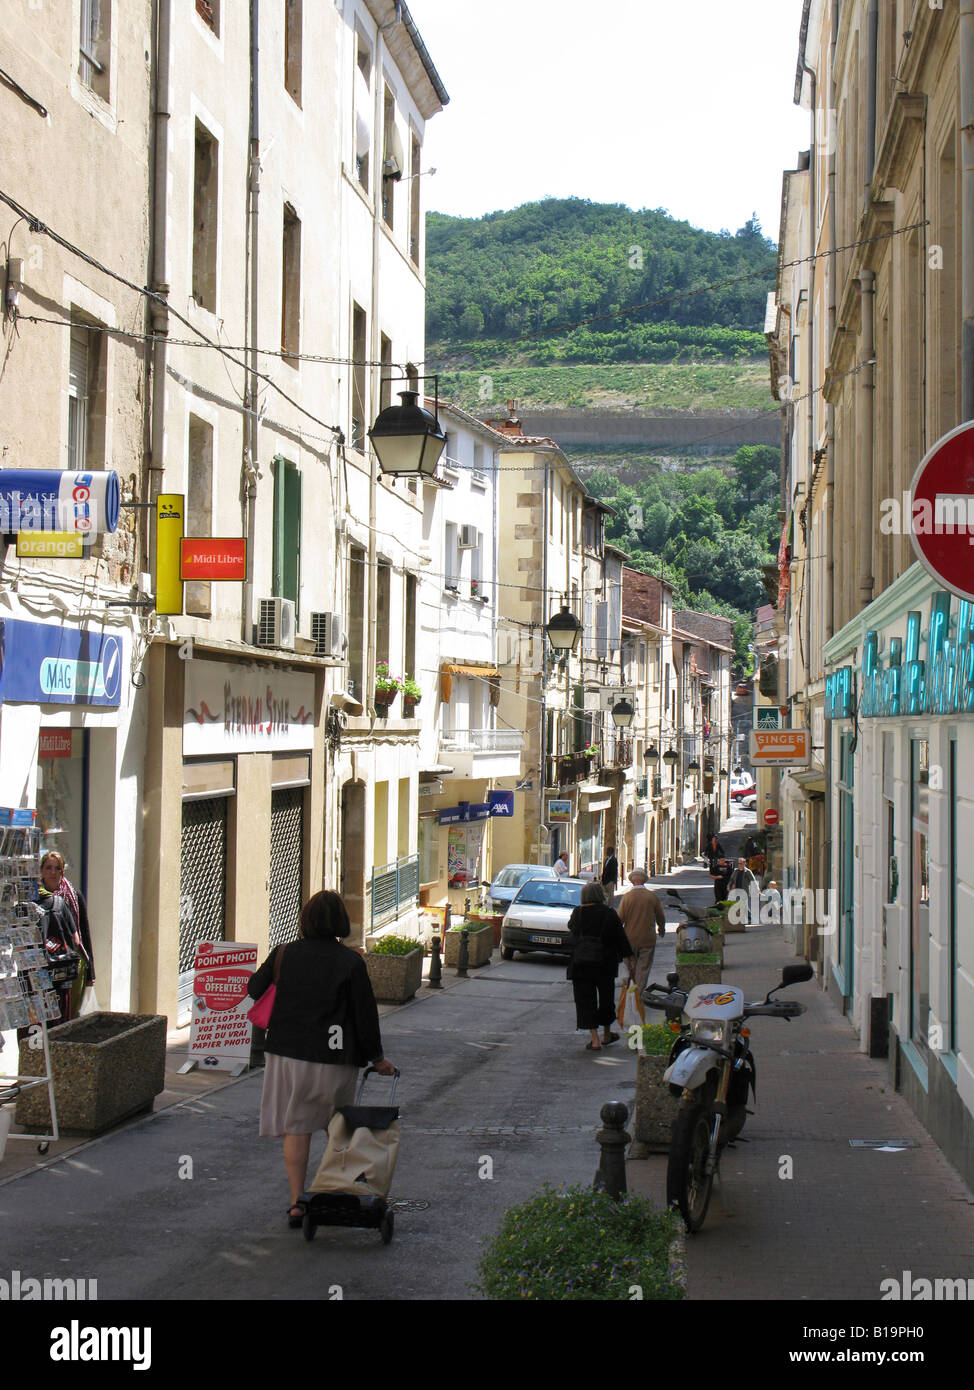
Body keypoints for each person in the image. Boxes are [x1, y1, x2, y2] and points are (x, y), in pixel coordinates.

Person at [246, 890, 396, 1229]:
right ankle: (337, 1190)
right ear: (341, 922)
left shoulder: (284, 953)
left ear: (306, 920)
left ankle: (298, 1202)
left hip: (287, 1055)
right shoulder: (351, 962)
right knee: (337, 1127)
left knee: (296, 1129)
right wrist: (377, 1058)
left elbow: (254, 989)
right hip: (335, 1057)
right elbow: (364, 1016)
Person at [565, 882, 633, 1051]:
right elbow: (620, 937)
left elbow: (571, 931)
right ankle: (607, 1034)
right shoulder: (609, 913)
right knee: (606, 999)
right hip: (605, 964)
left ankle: (595, 1040)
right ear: (599, 895)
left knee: (585, 1001)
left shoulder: (577, 913)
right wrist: (629, 957)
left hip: (581, 965)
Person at [37, 850, 95, 1023]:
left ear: (62, 871)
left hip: (68, 967)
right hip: (42, 968)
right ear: (41, 871)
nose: (53, 872)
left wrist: (90, 971)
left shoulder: (73, 897)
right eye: (48, 868)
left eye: (57, 868)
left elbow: (83, 936)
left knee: (66, 1017)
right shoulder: (34, 898)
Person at [616, 867, 667, 993]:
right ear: (644, 881)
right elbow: (660, 915)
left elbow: (620, 919)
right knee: (643, 968)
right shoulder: (651, 896)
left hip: (629, 939)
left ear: (633, 881)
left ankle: (632, 991)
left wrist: (616, 936)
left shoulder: (627, 897)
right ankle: (638, 993)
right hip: (647, 939)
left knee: (631, 968)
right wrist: (661, 928)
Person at [728, 857, 760, 924]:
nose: (740, 865)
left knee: (744, 905)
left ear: (745, 863)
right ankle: (744, 919)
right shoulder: (736, 871)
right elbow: (731, 880)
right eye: (739, 863)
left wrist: (757, 890)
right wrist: (729, 886)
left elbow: (753, 881)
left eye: (741, 863)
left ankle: (750, 918)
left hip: (744, 892)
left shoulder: (747, 872)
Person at [705, 833, 729, 904]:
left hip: (716, 858)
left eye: (716, 839)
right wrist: (706, 856)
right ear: (712, 839)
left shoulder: (717, 844)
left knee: (716, 866)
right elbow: (707, 851)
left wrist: (722, 855)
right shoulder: (709, 845)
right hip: (711, 858)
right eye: (714, 838)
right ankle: (712, 871)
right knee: (712, 866)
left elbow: (721, 850)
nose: (715, 839)